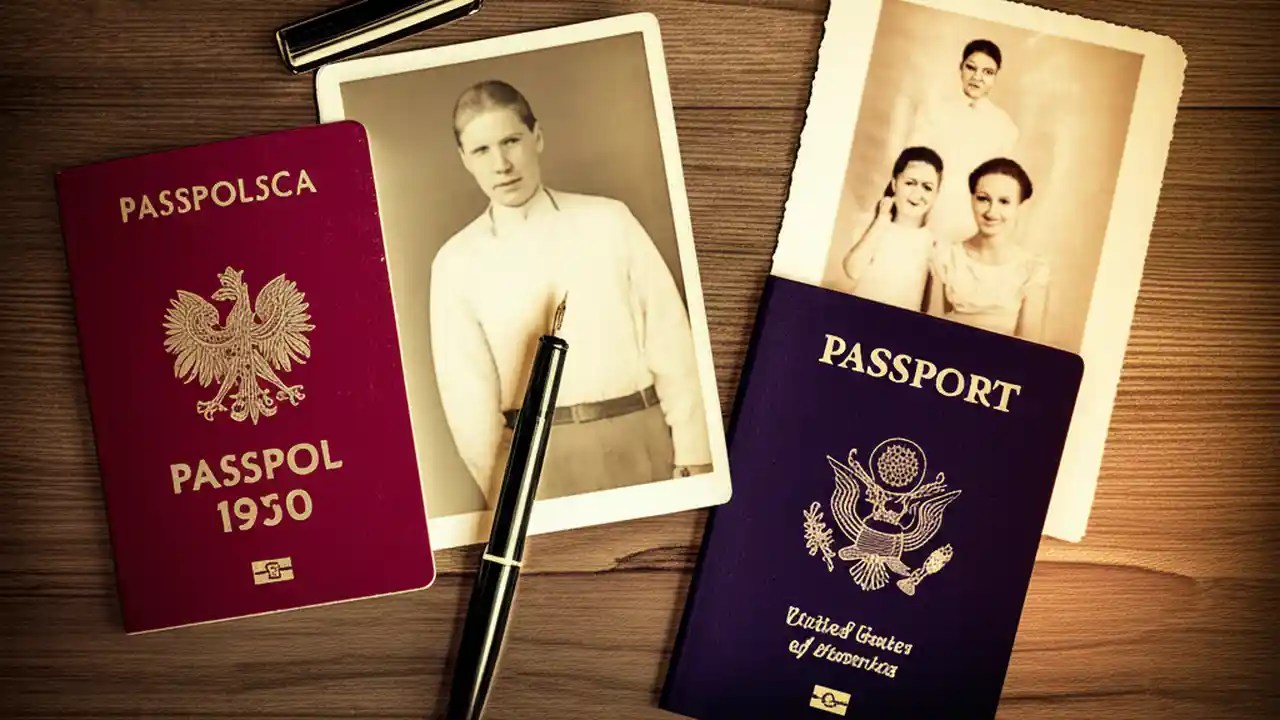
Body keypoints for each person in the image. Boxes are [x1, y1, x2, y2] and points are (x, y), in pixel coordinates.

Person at [429, 79, 714, 507]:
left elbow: (673, 343)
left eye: (511, 141)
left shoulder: (609, 221)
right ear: (464, 160)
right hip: (541, 465)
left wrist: (694, 458)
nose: (502, 164)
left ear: (537, 137)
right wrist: (507, 497)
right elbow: (467, 401)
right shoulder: (455, 263)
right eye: (482, 151)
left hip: (643, 437)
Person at [905, 39, 1020, 245]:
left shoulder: (1005, 126)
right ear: (961, 68)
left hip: (971, 215)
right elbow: (913, 164)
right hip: (930, 206)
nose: (977, 77)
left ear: (995, 77)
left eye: (987, 72)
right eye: (971, 68)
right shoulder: (935, 111)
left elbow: (1000, 184)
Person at [927, 157, 1048, 342]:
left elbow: (1030, 350)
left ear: (1019, 207)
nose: (991, 212)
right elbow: (930, 332)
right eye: (983, 199)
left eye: (1004, 202)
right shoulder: (946, 256)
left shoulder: (1032, 269)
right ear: (972, 200)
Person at [839, 146, 944, 311]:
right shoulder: (874, 226)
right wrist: (881, 221)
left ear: (936, 194)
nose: (917, 193)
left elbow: (931, 307)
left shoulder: (932, 243)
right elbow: (852, 270)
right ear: (895, 184)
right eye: (910, 183)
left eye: (927, 187)